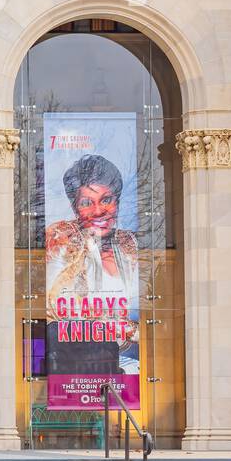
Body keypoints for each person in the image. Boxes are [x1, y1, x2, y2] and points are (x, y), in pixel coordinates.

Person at [44, 154, 139, 376]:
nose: (98, 211)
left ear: (118, 201)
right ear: (74, 207)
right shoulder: (63, 240)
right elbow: (52, 313)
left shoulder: (130, 246)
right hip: (75, 364)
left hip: (126, 364)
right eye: (87, 203)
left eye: (106, 199)